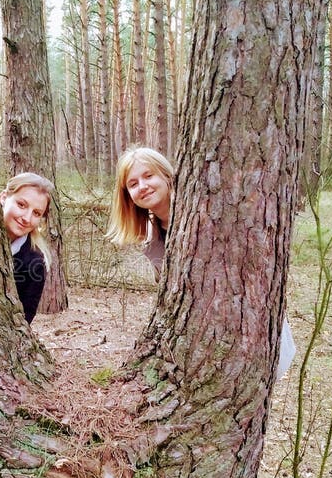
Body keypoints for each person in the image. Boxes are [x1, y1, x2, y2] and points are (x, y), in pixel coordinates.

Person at [106, 146, 295, 379]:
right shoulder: (151, 239)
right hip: (205, 341)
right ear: (128, 196)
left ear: (166, 175)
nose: (142, 186)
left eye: (148, 176)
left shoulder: (205, 210)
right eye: (133, 184)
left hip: (247, 319)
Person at [0, 172, 53, 323]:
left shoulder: (35, 264)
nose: (26, 218)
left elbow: (24, 321)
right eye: (21, 205)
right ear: (4, 197)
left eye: (36, 213)